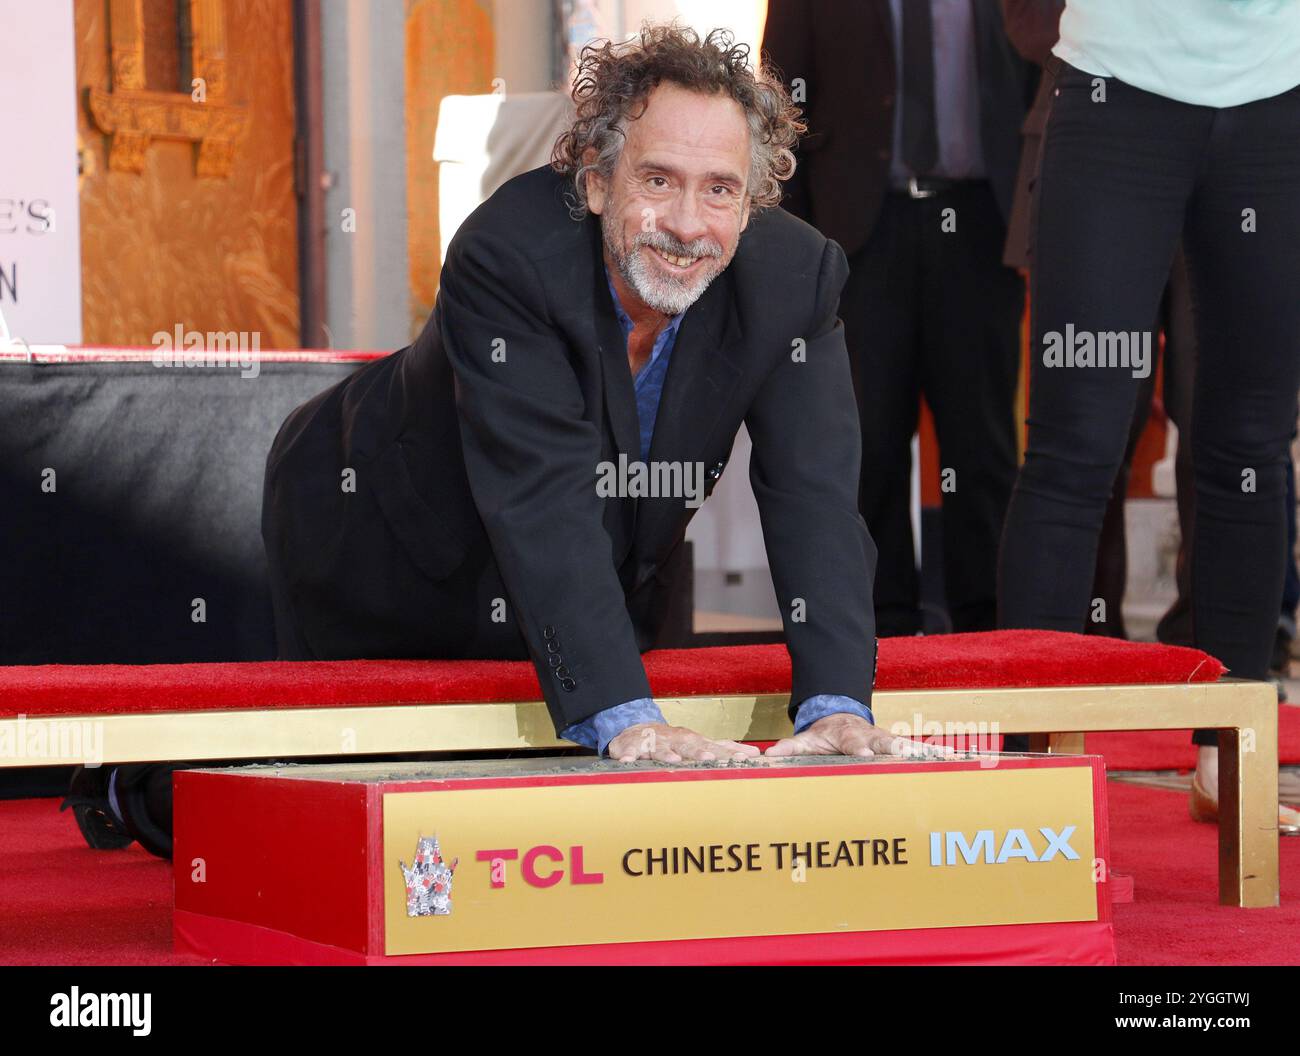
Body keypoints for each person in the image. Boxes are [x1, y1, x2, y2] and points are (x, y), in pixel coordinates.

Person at [262, 23, 918, 770]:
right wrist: (624, 714)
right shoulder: (510, 253)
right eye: (659, 180)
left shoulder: (796, 279)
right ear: (598, 181)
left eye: (720, 190)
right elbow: (542, 494)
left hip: (594, 572)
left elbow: (816, 497)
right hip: (379, 538)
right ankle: (134, 793)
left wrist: (836, 703)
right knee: (313, 788)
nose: (686, 225)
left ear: (751, 202)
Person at [996, 0, 1300, 829]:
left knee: (1250, 445)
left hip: (1279, 93)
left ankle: (1227, 762)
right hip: (1115, 88)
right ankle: (1023, 767)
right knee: (1072, 447)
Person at [763, 0, 1033, 636]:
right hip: (857, 234)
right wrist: (793, 249)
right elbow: (776, 105)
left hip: (980, 228)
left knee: (983, 442)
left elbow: (1040, 81)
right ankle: (875, 631)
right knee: (864, 440)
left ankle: (988, 633)